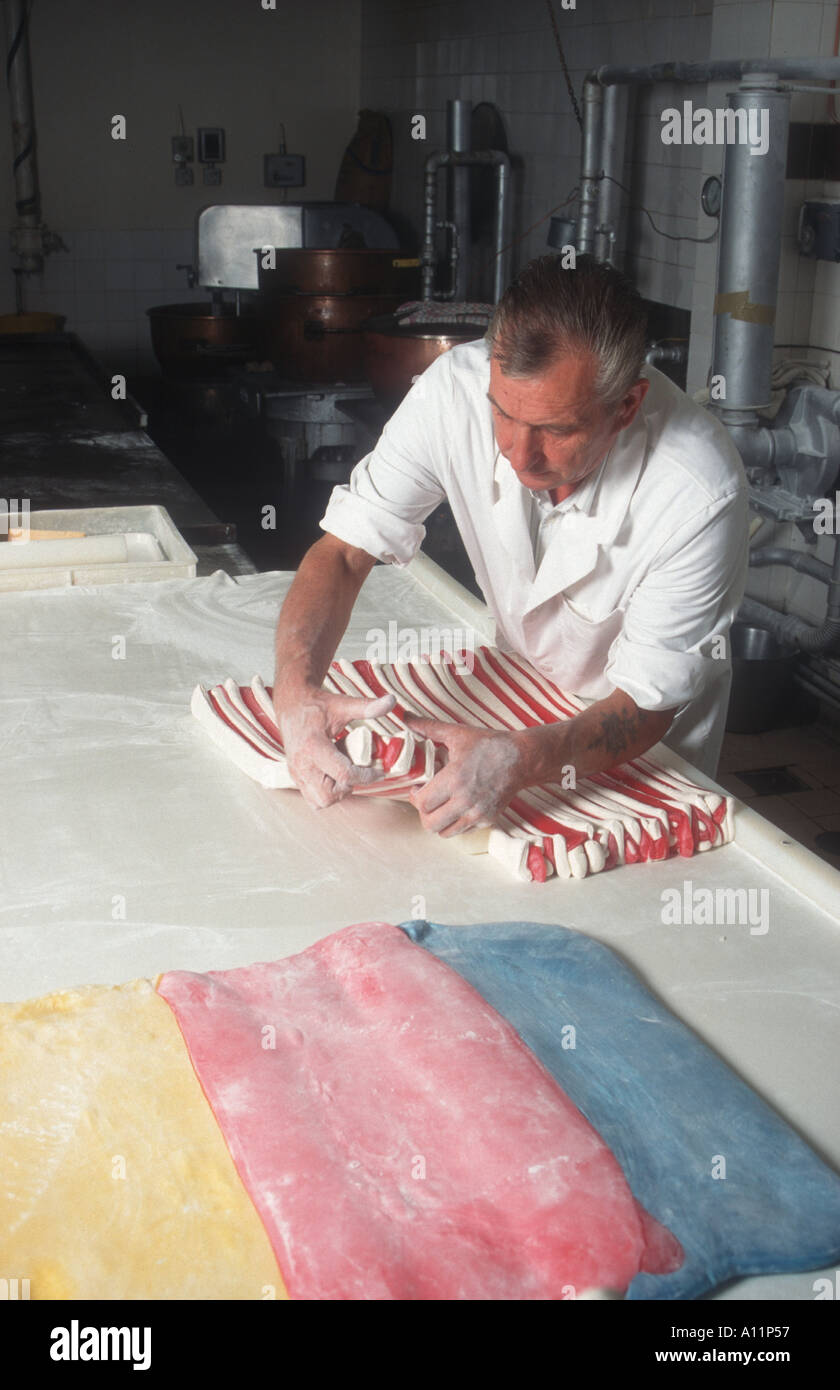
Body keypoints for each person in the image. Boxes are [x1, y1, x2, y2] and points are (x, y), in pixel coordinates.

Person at [271, 254, 748, 838]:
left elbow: (647, 704)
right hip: (516, 696)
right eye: (504, 415)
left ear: (626, 406)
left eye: (557, 430)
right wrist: (296, 695)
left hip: (639, 754)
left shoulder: (697, 491)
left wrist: (517, 760)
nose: (520, 455)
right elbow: (345, 552)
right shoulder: (453, 391)